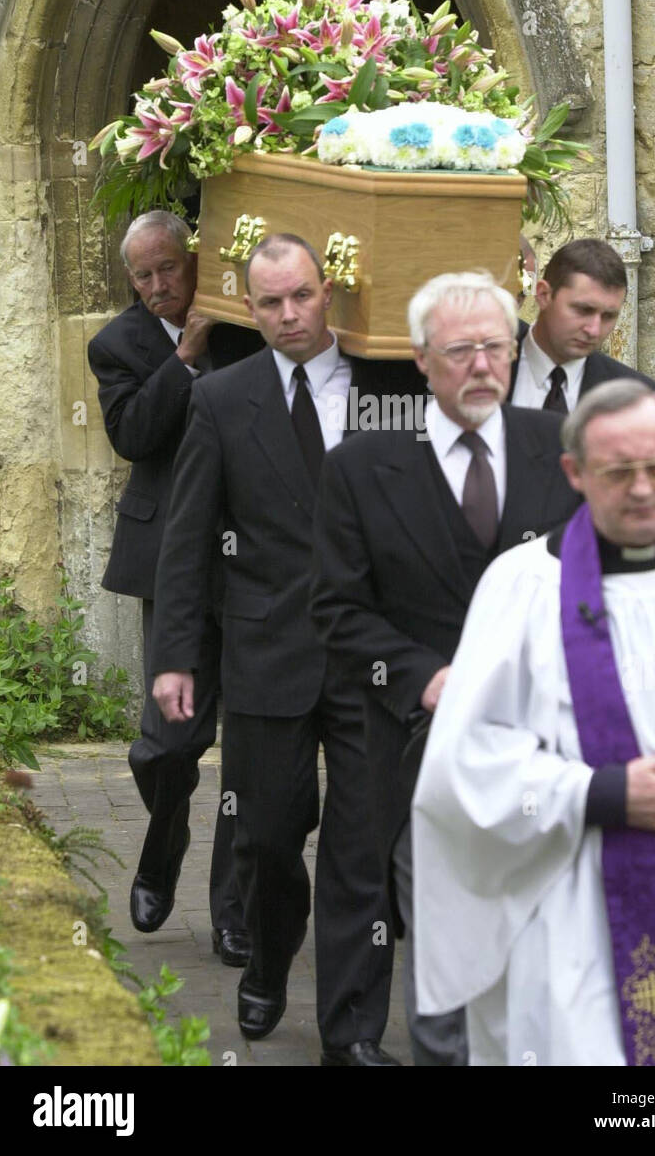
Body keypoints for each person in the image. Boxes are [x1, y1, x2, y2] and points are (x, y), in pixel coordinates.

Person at [412, 380, 655, 1066]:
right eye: (617, 472)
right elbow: (465, 762)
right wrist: (597, 793)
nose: (641, 489)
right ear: (575, 472)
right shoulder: (523, 589)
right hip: (579, 907)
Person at [150, 232, 425, 1065]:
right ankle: (268, 960)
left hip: (372, 660)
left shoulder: (392, 386)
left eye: (302, 295)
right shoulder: (221, 398)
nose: (289, 314)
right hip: (267, 653)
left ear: (329, 291)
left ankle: (351, 1031)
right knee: (266, 838)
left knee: (363, 850)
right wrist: (175, 656)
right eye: (269, 302)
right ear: (247, 305)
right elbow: (187, 538)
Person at [310, 271, 581, 1065]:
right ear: (423, 359)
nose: (482, 365)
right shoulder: (361, 468)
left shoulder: (562, 450)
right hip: (417, 749)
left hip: (546, 748)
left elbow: (597, 584)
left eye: (495, 347)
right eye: (460, 351)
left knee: (546, 948)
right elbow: (337, 608)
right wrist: (423, 676)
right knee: (444, 958)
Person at [87, 211, 260, 960]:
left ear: (196, 261)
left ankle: (234, 913)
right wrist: (184, 356)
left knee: (251, 752)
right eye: (144, 275)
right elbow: (132, 436)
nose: (159, 284)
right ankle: (164, 843)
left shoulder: (247, 327)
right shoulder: (117, 343)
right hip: (172, 564)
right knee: (164, 746)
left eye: (169, 268)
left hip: (252, 564)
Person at [510, 237, 655, 412]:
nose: (594, 330)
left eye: (608, 316)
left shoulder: (637, 399)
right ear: (543, 295)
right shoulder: (488, 361)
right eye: (583, 310)